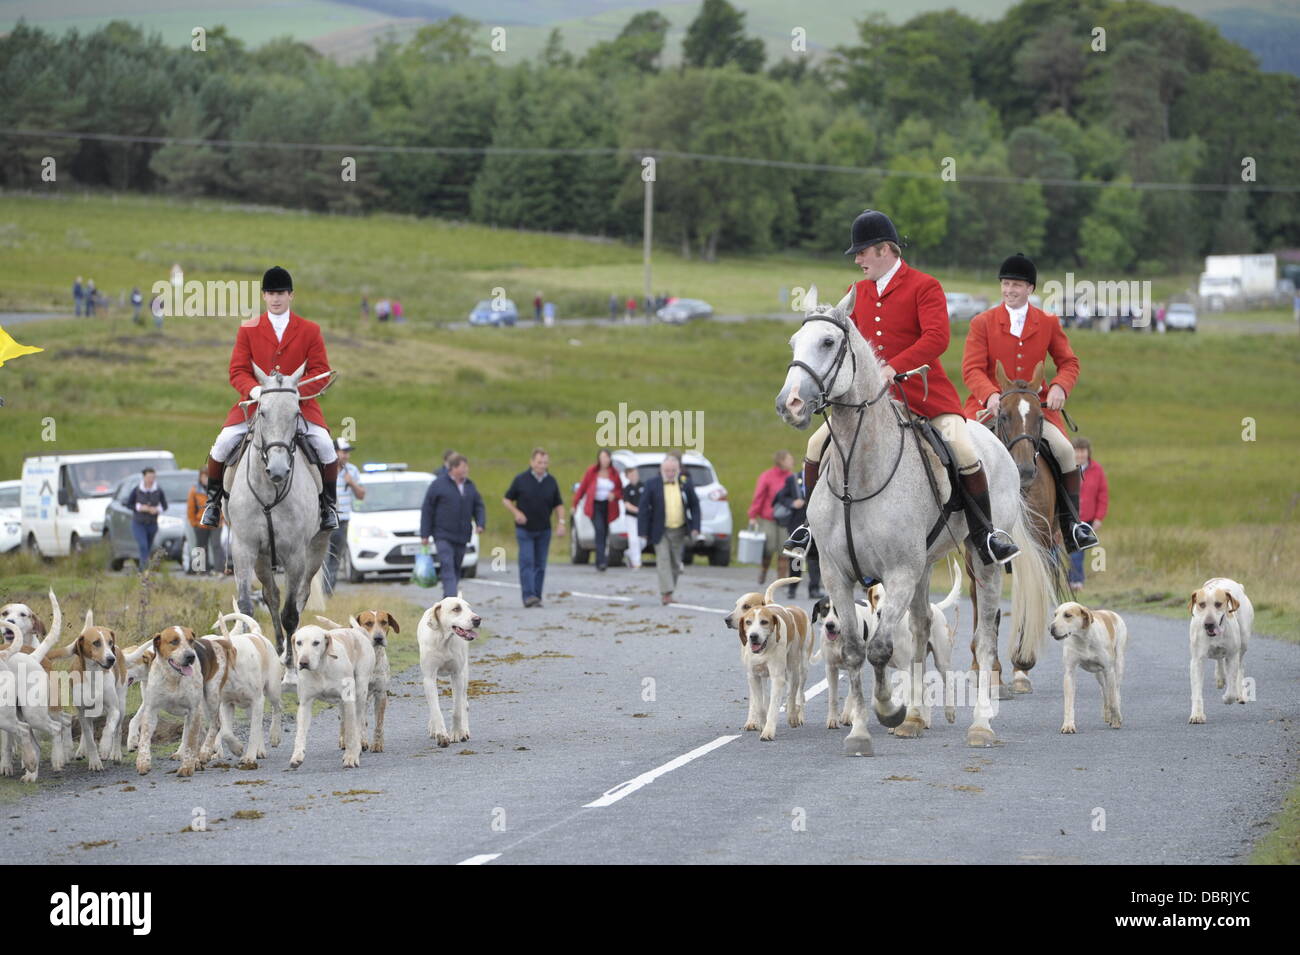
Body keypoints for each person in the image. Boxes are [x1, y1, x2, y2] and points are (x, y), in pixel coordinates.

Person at [784, 210, 1021, 570]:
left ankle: (985, 533)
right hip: (868, 404)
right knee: (817, 445)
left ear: (883, 250)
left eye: (862, 253)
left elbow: (937, 338)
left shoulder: (924, 286)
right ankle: (810, 530)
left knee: (963, 450)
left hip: (926, 397)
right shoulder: (855, 293)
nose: (858, 260)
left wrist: (895, 366)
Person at [962, 252, 1099, 553]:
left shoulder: (1047, 323)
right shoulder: (982, 322)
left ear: (1030, 289)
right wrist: (990, 394)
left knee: (1064, 451)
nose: (1010, 290)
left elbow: (1069, 362)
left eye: (1017, 285)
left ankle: (1073, 525)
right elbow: (971, 368)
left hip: (1034, 411)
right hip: (990, 407)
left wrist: (1061, 387)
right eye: (1006, 284)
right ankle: (959, 520)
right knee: (962, 454)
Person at [199, 266, 340, 532]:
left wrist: (294, 394)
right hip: (255, 408)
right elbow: (237, 371)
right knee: (222, 444)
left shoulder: (310, 330)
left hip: (299, 408)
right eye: (271, 293)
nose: (276, 298)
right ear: (264, 296)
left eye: (281, 293)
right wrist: (255, 391)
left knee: (326, 448)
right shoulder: (248, 329)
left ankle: (328, 506)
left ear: (291, 295)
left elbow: (320, 372)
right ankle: (213, 503)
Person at [503, 447, 566, 607]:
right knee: (527, 561)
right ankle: (528, 596)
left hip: (544, 529)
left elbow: (558, 505)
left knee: (540, 564)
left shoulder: (551, 481)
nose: (542, 465)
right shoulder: (521, 479)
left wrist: (561, 523)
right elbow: (507, 499)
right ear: (532, 462)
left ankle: (536, 596)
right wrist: (516, 513)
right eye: (539, 462)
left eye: (545, 462)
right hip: (524, 529)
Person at [638, 453, 701, 605]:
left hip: (679, 529)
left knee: (675, 562)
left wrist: (696, 528)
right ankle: (666, 594)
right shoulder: (652, 484)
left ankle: (670, 591)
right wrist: (643, 532)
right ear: (662, 470)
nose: (671, 474)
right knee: (663, 559)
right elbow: (643, 508)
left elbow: (695, 505)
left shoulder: (685, 483)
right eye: (667, 471)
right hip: (660, 530)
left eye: (673, 470)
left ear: (678, 470)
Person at [420, 453, 485, 598]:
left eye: (466, 467)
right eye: (463, 467)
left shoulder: (469, 486)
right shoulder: (438, 484)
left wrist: (480, 523)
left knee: (456, 567)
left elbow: (478, 506)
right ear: (453, 468)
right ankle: (452, 597)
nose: (465, 470)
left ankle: (447, 597)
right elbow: (427, 509)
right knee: (447, 564)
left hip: (462, 535)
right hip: (442, 534)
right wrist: (425, 534)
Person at [774, 458, 821, 600]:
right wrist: (793, 503)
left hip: (816, 523)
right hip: (797, 524)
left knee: (815, 558)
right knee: (796, 558)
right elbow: (781, 496)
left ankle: (814, 588)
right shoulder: (793, 479)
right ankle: (792, 588)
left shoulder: (820, 479)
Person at [324, 438, 366, 595]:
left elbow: (361, 495)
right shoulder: (325, 470)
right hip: (325, 521)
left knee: (335, 557)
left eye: (347, 453)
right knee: (323, 558)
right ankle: (320, 591)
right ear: (334, 452)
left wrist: (352, 483)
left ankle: (328, 593)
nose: (346, 456)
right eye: (344, 452)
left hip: (343, 521)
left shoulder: (352, 471)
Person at [747, 450, 794, 586]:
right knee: (768, 548)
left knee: (784, 550)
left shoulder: (791, 477)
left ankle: (780, 581)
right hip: (768, 518)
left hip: (785, 519)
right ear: (781, 461)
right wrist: (752, 515)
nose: (792, 462)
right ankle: (763, 570)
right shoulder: (767, 476)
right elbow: (759, 496)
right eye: (789, 459)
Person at [573, 449, 623, 572]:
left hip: (608, 505)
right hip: (595, 505)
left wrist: (614, 495)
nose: (604, 460)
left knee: (604, 532)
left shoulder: (614, 473)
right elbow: (583, 487)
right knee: (599, 530)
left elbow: (620, 490)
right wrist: (575, 504)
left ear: (610, 459)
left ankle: (600, 558)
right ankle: (601, 561)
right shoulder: (592, 472)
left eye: (606, 457)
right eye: (602, 457)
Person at [1068, 437, 1108, 591]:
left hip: (1086, 519)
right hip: (1068, 517)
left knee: (1078, 551)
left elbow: (1102, 495)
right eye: (1076, 451)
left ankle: (1076, 581)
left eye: (1082, 451)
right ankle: (1071, 580)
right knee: (1065, 551)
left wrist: (1099, 517)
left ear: (1088, 452)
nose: (1080, 455)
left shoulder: (1097, 470)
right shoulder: (1067, 468)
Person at [126, 467, 167, 572]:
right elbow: (129, 504)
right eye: (149, 477)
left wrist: (156, 509)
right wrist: (140, 507)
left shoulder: (158, 490)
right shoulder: (137, 490)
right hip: (139, 523)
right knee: (143, 545)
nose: (151, 479)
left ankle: (142, 568)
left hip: (152, 523)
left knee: (148, 547)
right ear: (144, 477)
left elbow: (164, 506)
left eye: (153, 477)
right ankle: (145, 569)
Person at [621, 466, 644, 568]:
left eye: (635, 474)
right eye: (631, 475)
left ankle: (629, 553)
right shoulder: (627, 489)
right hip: (631, 517)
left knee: (642, 540)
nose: (634, 476)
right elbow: (627, 504)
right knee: (633, 539)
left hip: (642, 517)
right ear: (627, 477)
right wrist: (637, 510)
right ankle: (636, 563)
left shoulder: (644, 486)